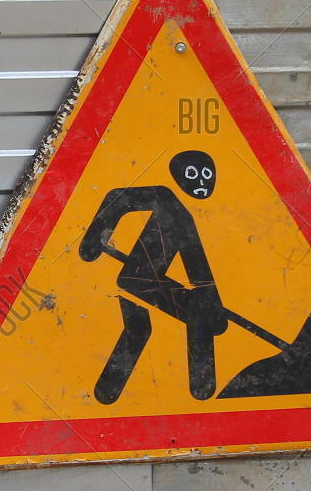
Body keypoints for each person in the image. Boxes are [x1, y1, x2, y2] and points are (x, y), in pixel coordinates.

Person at [79, 151, 227, 403]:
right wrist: (92, 241)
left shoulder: (183, 215)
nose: (201, 183)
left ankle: (201, 387)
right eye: (192, 175)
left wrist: (210, 301)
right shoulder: (165, 198)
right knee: (142, 327)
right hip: (135, 276)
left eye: (206, 175)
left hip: (142, 278)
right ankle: (106, 396)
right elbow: (118, 199)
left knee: (164, 322)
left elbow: (197, 263)